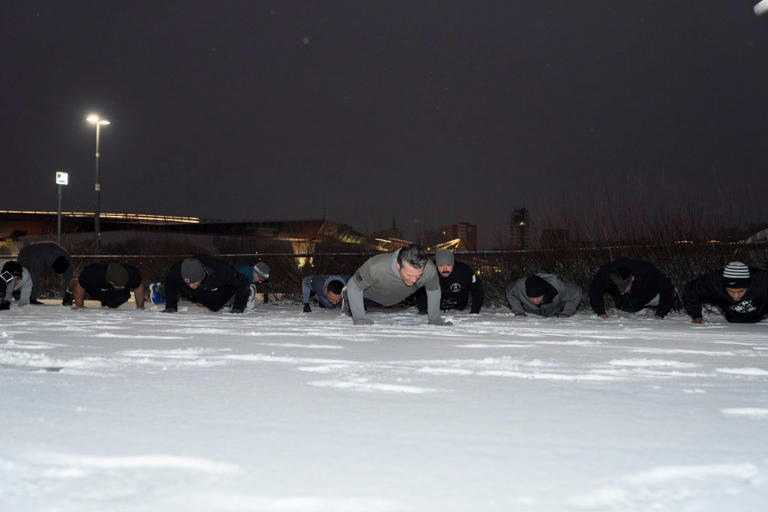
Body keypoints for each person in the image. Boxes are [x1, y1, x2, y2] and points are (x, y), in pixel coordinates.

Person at [344, 244, 451, 326]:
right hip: (368, 296)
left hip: (396, 299)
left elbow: (434, 291)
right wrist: (359, 318)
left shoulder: (429, 270)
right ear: (398, 266)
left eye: (418, 275)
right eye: (409, 275)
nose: (414, 280)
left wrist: (435, 319)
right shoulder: (375, 267)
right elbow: (354, 286)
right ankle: (346, 297)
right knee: (352, 291)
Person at [589, 258, 677, 319]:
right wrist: (600, 312)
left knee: (669, 294)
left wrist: (660, 314)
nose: (622, 292)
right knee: (626, 304)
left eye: (624, 288)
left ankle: (673, 304)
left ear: (632, 278)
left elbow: (667, 289)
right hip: (630, 301)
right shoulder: (605, 275)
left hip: (651, 295)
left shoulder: (647, 271)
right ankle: (636, 306)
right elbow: (594, 290)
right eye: (619, 289)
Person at [683, 261, 768, 324]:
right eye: (730, 291)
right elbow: (690, 290)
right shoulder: (714, 281)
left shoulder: (762, 279)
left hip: (760, 316)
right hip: (732, 320)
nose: (736, 296)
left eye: (741, 291)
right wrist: (696, 316)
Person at [162, 256, 251, 313]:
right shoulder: (176, 272)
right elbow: (170, 284)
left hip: (224, 288)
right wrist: (170, 307)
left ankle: (241, 297)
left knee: (216, 304)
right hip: (200, 291)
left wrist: (238, 308)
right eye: (188, 283)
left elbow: (243, 283)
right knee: (211, 305)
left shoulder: (222, 271)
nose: (191, 286)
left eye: (194, 282)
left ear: (202, 275)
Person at [413, 249, 484, 314]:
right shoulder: (428, 272)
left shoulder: (465, 271)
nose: (445, 269)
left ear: (453, 264)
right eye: (441, 266)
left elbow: (477, 290)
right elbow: (420, 290)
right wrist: (424, 309)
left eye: (449, 265)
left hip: (459, 308)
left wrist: (475, 311)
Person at [71, 262, 145, 309]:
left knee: (113, 303)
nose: (123, 287)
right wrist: (79, 305)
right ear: (110, 282)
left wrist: (140, 306)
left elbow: (138, 287)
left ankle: (110, 302)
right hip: (96, 289)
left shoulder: (132, 273)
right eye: (120, 285)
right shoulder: (92, 273)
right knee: (78, 282)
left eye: (124, 284)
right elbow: (79, 285)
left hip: (117, 293)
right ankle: (70, 288)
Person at [506, 273, 582, 318]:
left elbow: (577, 292)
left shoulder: (559, 287)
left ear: (544, 293)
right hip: (534, 312)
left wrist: (566, 312)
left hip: (556, 310)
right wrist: (519, 311)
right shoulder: (518, 287)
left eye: (538, 297)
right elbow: (510, 292)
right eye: (531, 298)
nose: (535, 301)